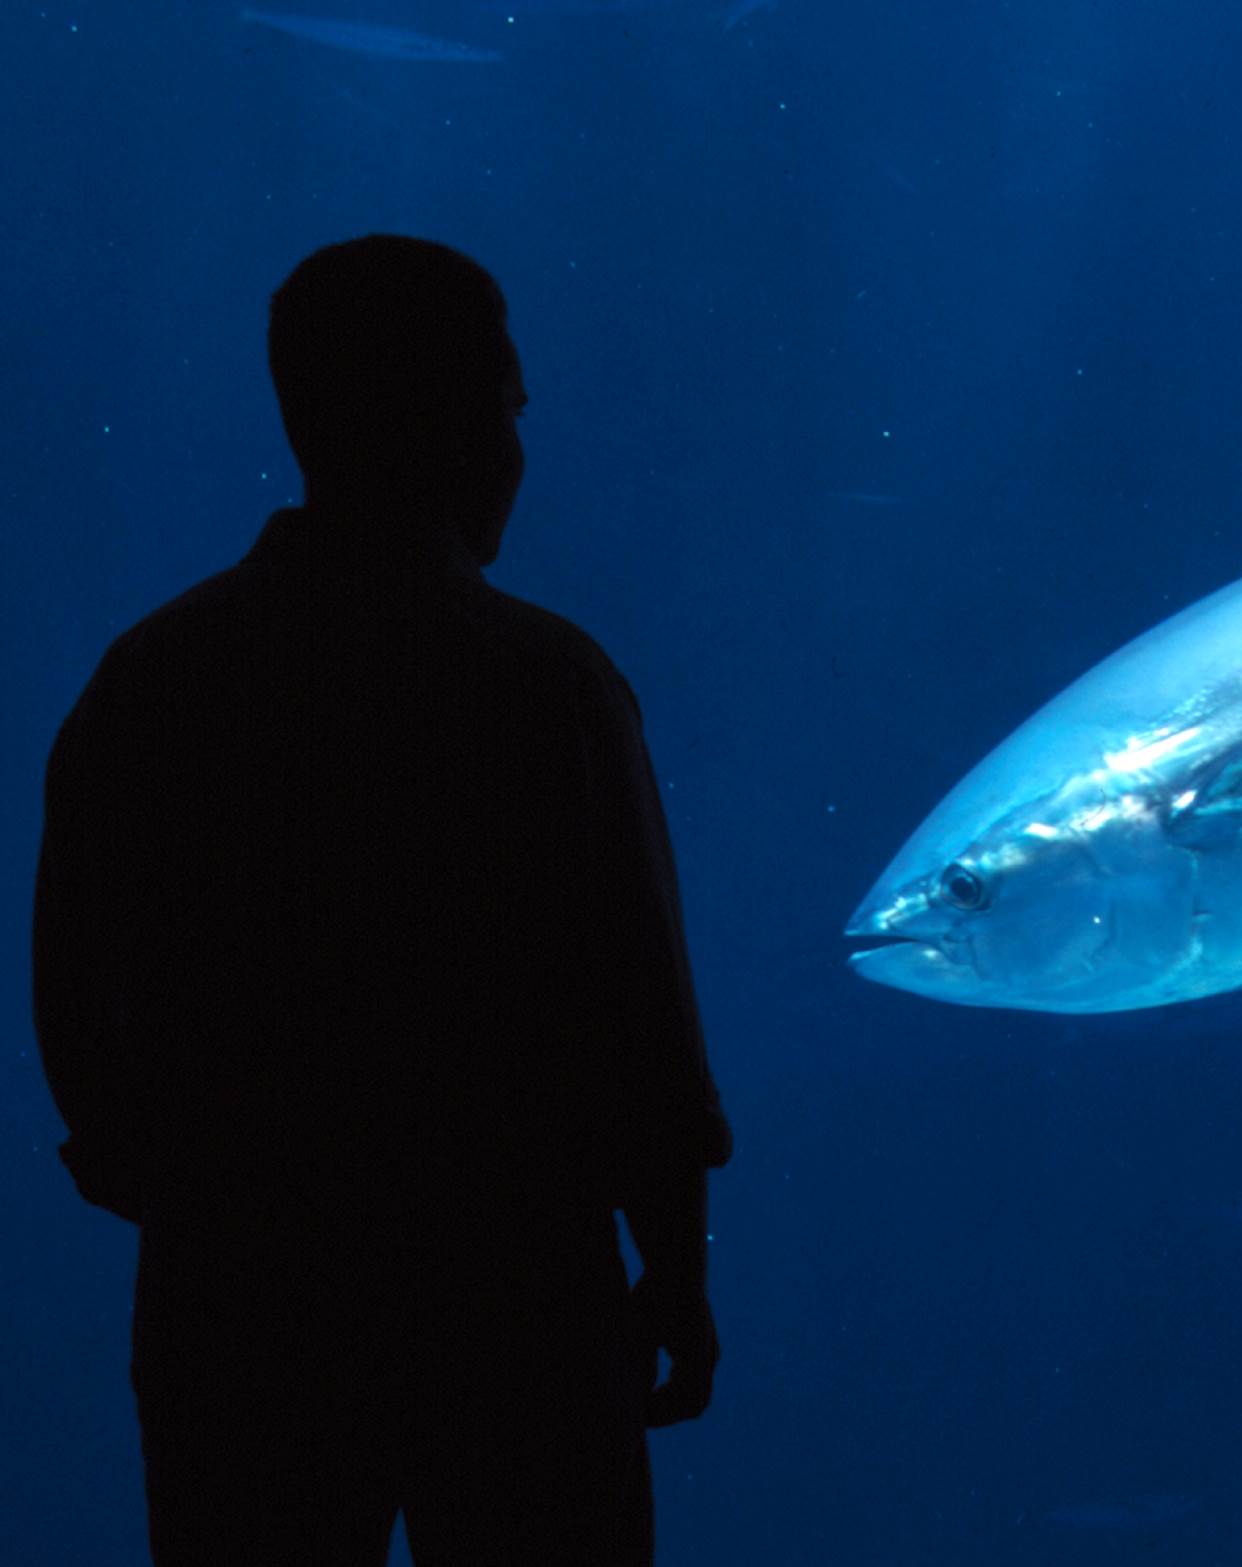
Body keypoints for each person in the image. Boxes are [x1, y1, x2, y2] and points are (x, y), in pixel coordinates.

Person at [33, 235, 732, 1566]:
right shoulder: (545, 683)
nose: (519, 450)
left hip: (233, 1301)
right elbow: (636, 1008)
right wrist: (677, 1272)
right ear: (463, 422)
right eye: (510, 408)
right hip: (518, 1297)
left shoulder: (157, 677)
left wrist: (189, 1198)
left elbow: (75, 991)